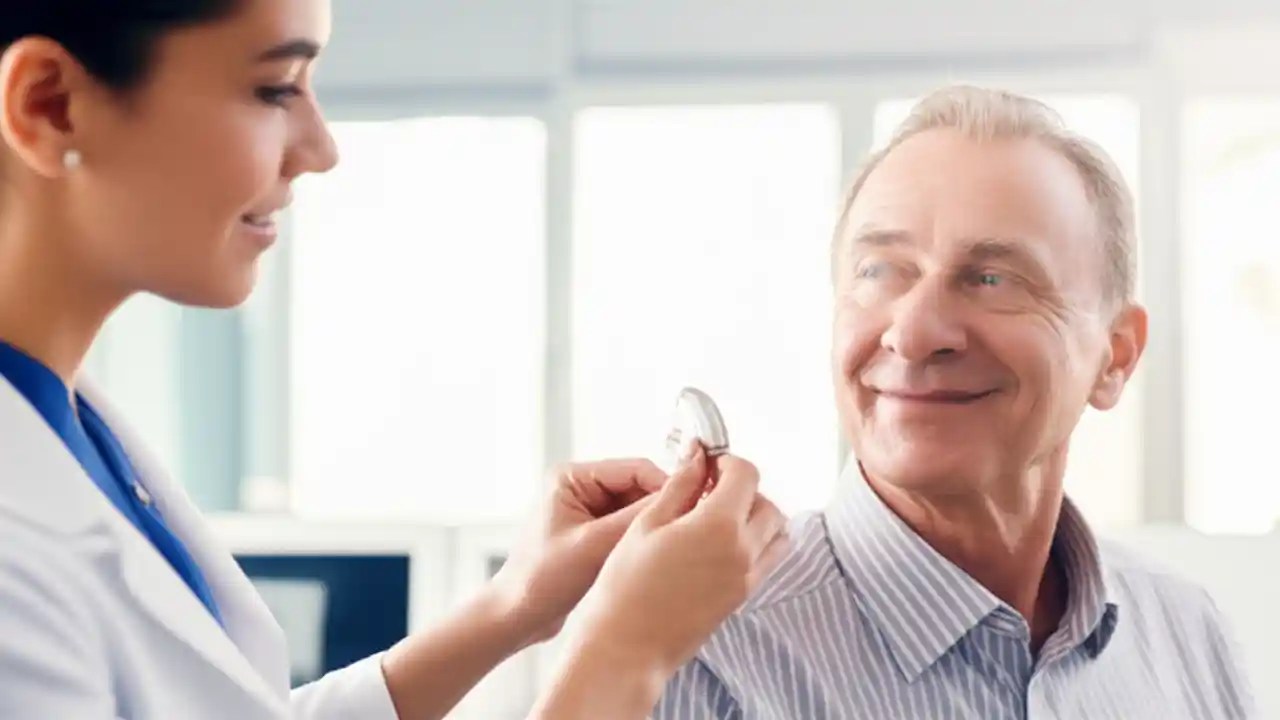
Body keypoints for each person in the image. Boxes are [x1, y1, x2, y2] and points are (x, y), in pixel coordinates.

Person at [0, 3, 791, 719]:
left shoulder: (64, 420)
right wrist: (624, 653)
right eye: (275, 89)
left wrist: (517, 605)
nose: (321, 149)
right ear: (49, 105)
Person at [653, 86, 1257, 719]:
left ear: (1115, 356)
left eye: (993, 279)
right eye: (880, 271)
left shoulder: (1187, 632)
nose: (913, 334)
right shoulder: (698, 655)